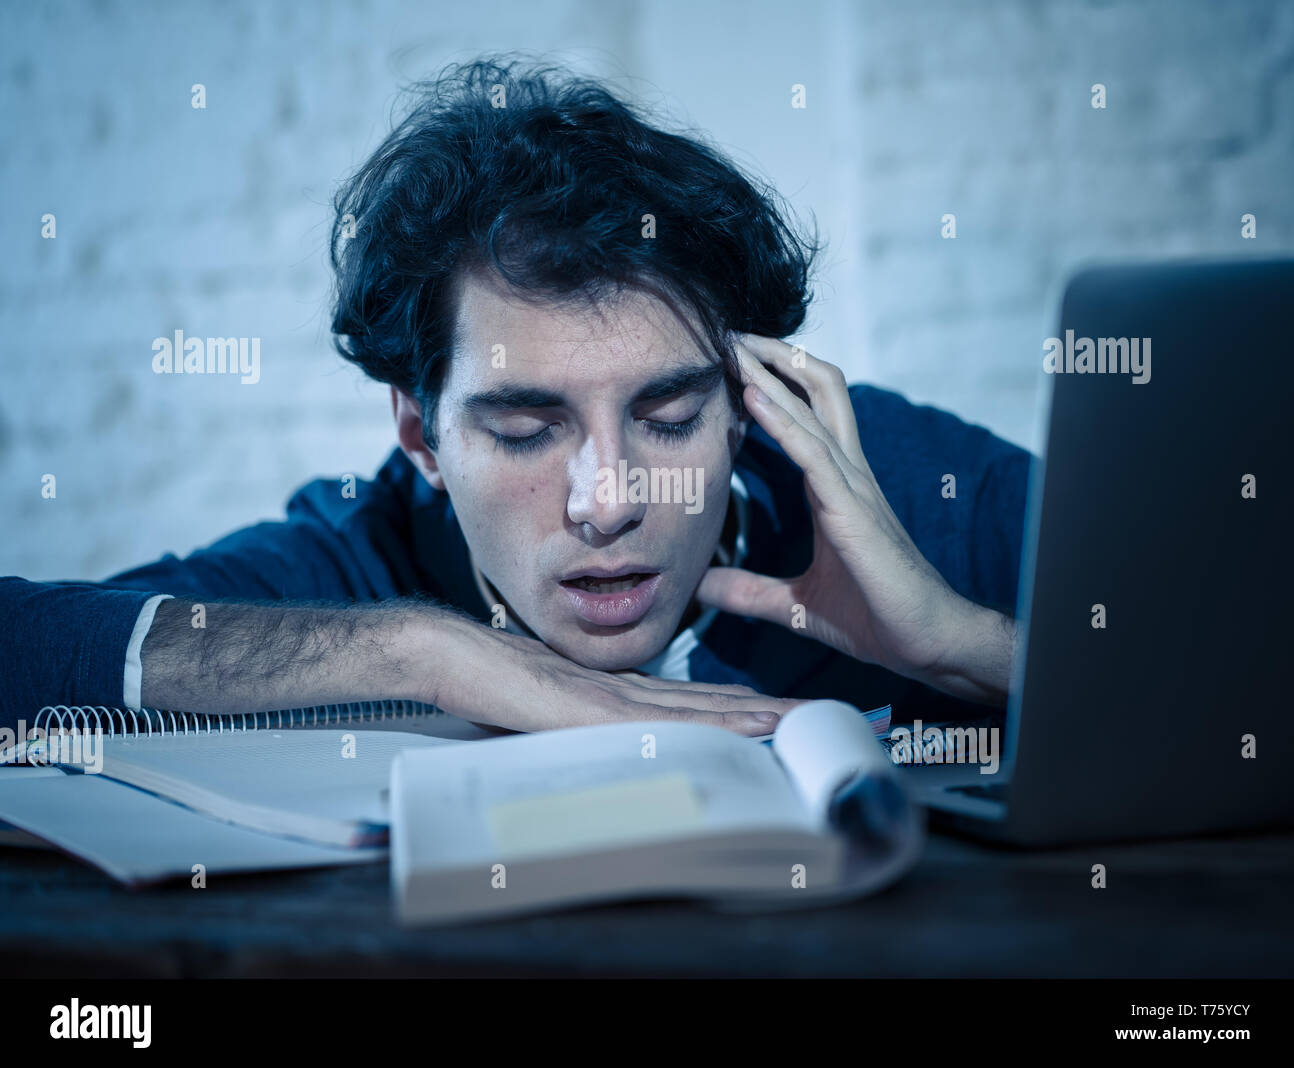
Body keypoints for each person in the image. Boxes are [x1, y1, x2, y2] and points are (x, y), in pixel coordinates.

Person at [0, 57, 1031, 739]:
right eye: (527, 432)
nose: (607, 502)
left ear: (746, 404)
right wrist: (424, 652)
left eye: (670, 418)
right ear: (423, 437)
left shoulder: (881, 487)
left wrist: (961, 645)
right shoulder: (362, 562)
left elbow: (1144, 639)